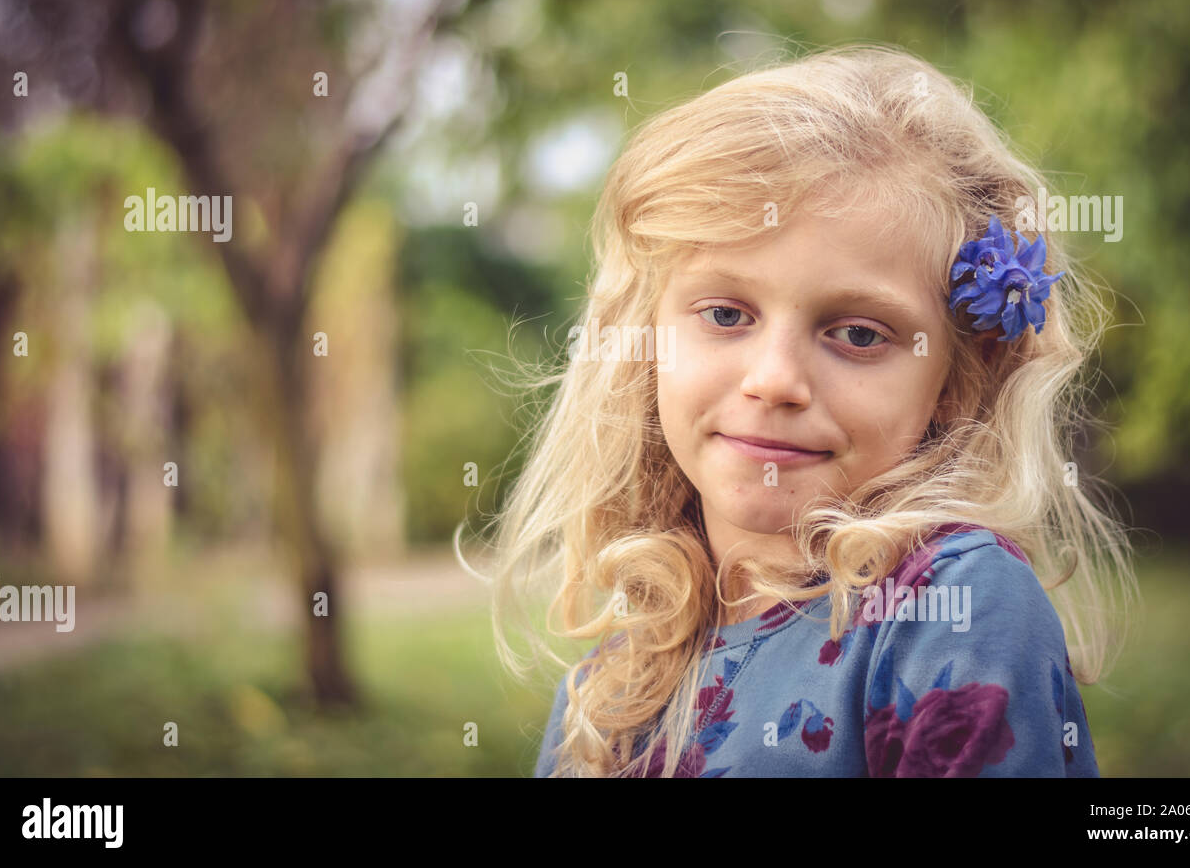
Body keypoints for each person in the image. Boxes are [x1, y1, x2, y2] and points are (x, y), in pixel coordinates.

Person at [463, 44, 1138, 777]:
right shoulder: (609, 689)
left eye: (856, 333)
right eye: (725, 314)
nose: (775, 380)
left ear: (956, 382)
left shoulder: (950, 603)